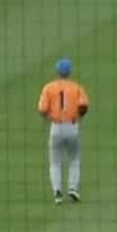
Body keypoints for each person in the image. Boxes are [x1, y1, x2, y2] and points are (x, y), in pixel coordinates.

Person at [37, 57, 90, 204]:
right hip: (72, 126)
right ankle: (73, 188)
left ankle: (57, 192)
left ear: (57, 71)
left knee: (55, 162)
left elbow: (42, 109)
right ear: (69, 71)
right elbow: (84, 106)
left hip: (56, 127)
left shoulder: (49, 87)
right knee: (74, 160)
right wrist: (78, 117)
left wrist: (48, 119)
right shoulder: (76, 87)